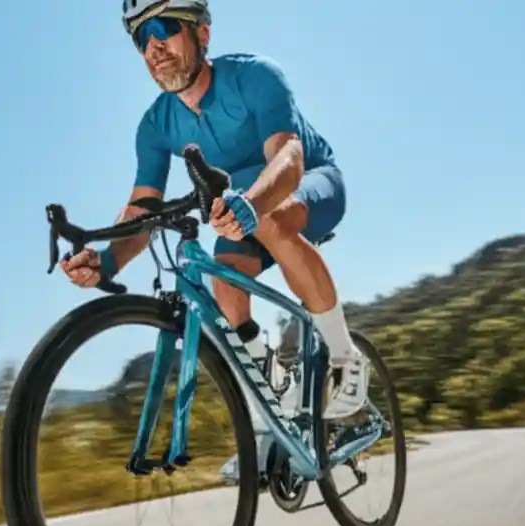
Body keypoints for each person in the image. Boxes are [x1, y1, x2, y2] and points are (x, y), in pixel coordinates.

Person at [60, 0, 368, 478]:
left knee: (273, 220)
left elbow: (287, 158)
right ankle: (277, 404)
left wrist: (252, 204)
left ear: (202, 34)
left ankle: (346, 361)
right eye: (141, 38)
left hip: (307, 185)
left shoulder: (256, 76)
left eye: (163, 28)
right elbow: (143, 208)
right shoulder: (155, 124)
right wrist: (105, 262)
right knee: (224, 294)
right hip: (243, 205)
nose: (153, 47)